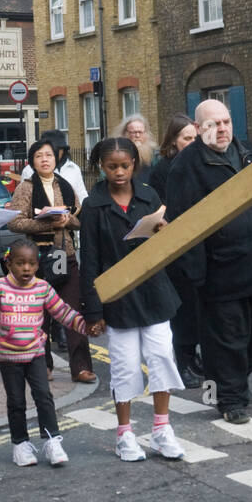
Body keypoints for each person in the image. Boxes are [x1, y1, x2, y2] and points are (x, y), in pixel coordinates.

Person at [164, 99, 252, 424]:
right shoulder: (186, 167)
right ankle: (228, 398)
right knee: (226, 339)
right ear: (199, 129)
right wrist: (197, 274)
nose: (223, 128)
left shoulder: (249, 153)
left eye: (226, 121)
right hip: (222, 271)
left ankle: (235, 380)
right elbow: (182, 226)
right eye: (214, 124)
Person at [78, 137, 186, 462]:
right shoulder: (93, 205)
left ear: (134, 164)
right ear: (102, 167)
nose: (120, 172)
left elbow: (163, 248)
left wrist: (163, 232)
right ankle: (124, 435)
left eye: (125, 165)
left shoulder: (149, 195)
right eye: (112, 167)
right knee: (125, 367)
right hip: (118, 298)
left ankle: (161, 429)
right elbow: (90, 260)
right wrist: (93, 309)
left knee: (162, 356)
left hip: (154, 291)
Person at [0, 239, 89, 467]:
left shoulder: (42, 288)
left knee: (44, 397)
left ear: (38, 265)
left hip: (36, 353)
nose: (26, 269)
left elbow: (62, 312)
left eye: (31, 263)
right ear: (8, 263)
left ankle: (52, 442)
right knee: (16, 401)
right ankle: (20, 445)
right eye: (20, 263)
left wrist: (85, 325)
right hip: (9, 357)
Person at [6, 139, 95, 384]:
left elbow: (80, 219)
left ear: (56, 159)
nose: (45, 159)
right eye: (39, 156)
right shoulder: (25, 187)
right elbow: (14, 222)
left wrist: (67, 222)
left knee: (73, 312)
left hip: (65, 255)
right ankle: (43, 366)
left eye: (49, 155)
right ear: (33, 162)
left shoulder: (65, 185)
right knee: (40, 315)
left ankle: (81, 367)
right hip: (37, 259)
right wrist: (43, 223)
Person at [149, 114, 202, 387]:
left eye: (195, 138)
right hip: (176, 247)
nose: (192, 143)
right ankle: (183, 362)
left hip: (198, 244)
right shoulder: (163, 170)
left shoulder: (199, 164)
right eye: (187, 138)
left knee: (197, 307)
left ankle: (192, 357)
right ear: (173, 141)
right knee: (183, 309)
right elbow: (163, 209)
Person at [19, 129, 88, 205]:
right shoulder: (29, 170)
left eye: (57, 149)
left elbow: (82, 196)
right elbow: (22, 201)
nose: (55, 152)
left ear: (63, 150)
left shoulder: (74, 169)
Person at [111, 114, 157, 181]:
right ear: (125, 134)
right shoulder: (114, 153)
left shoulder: (155, 154)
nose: (137, 135)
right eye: (134, 132)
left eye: (140, 132)